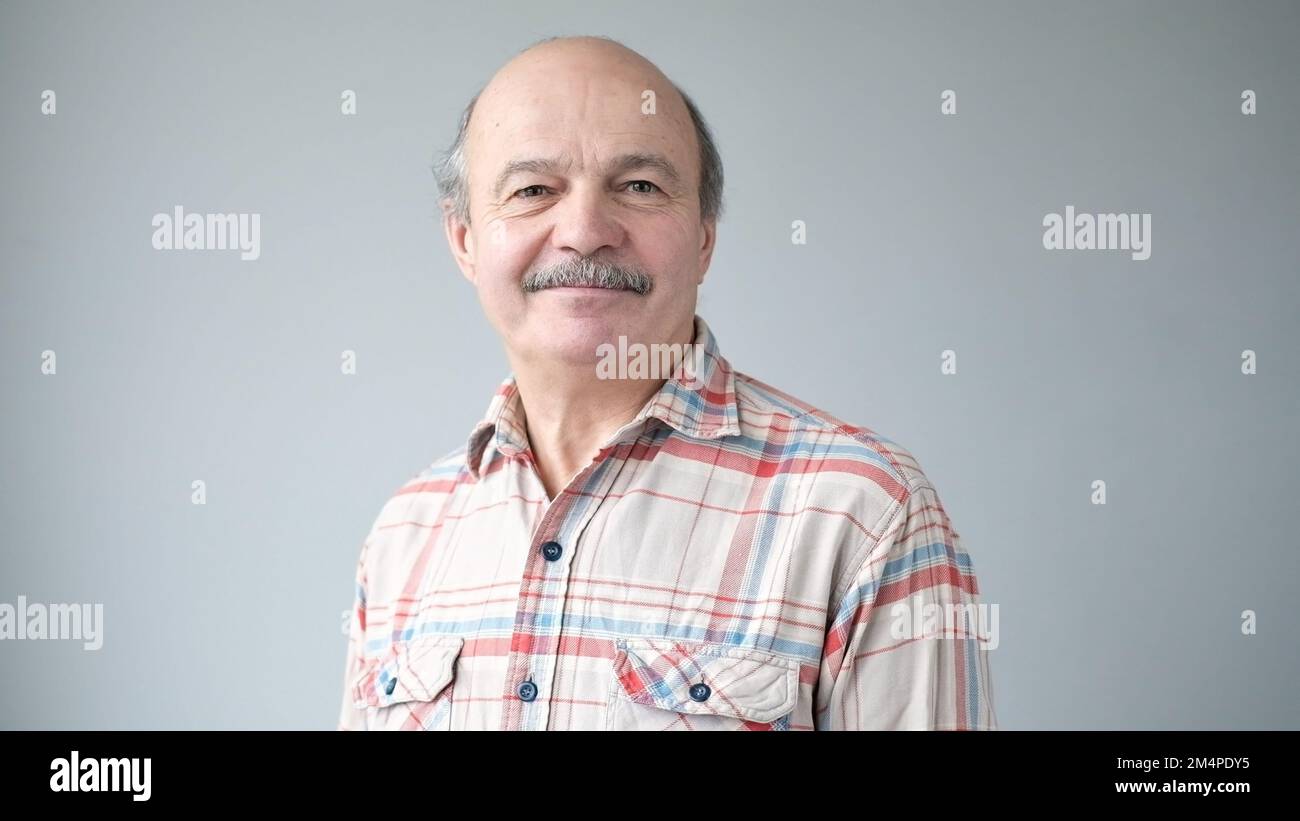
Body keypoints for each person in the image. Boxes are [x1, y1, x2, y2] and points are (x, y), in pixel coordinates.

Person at [338, 34, 996, 730]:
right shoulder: (403, 535)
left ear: (704, 237)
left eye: (640, 186)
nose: (586, 230)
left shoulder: (861, 512)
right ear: (466, 239)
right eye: (533, 190)